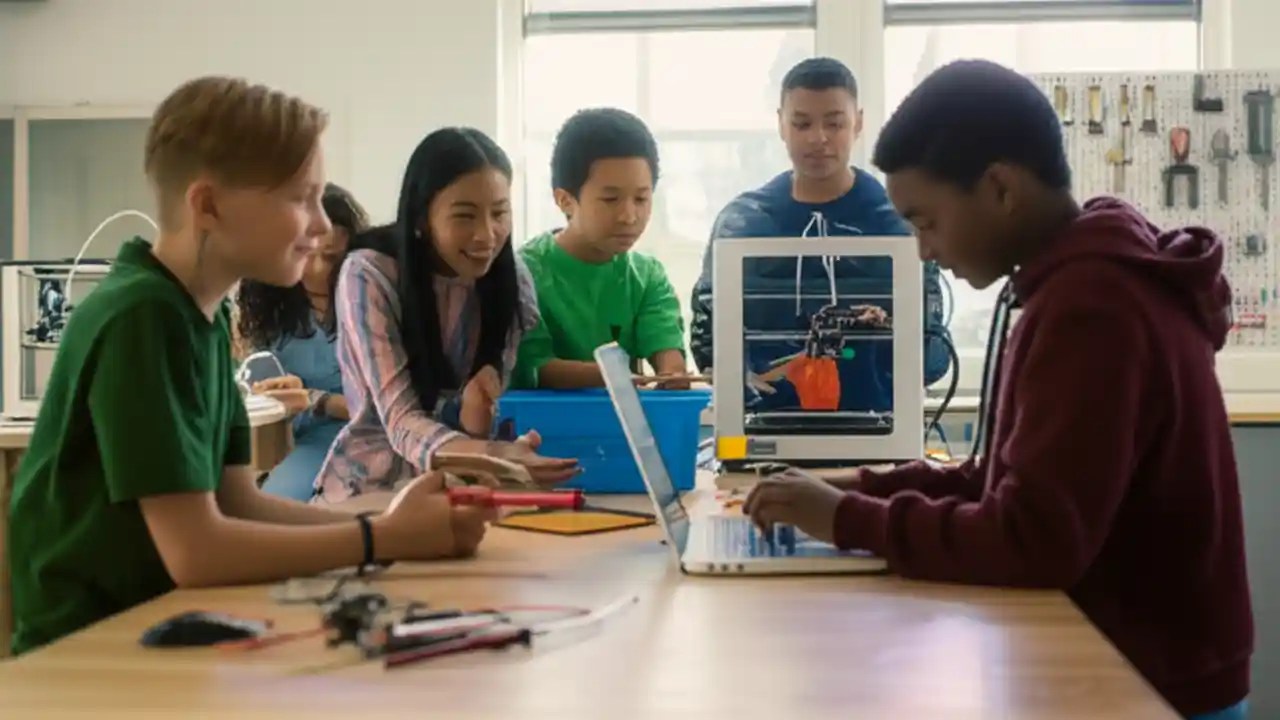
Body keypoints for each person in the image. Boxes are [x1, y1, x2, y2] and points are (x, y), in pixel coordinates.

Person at [743, 60, 1252, 720]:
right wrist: (855, 487)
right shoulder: (1075, 280)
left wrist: (846, 520)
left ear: (1001, 189)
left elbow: (1032, 538)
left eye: (926, 221)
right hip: (1130, 662)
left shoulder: (1094, 307)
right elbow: (1007, 482)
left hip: (1150, 685)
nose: (924, 252)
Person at [6, 77, 500, 656]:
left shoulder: (203, 316)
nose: (322, 228)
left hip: (156, 622)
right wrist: (378, 537)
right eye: (301, 198)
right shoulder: (143, 315)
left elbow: (238, 503)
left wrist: (400, 529)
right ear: (209, 206)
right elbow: (198, 551)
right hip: (85, 650)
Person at [315, 127, 582, 504]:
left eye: (499, 213)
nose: (487, 235)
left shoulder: (511, 280)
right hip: (372, 491)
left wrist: (495, 440)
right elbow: (400, 422)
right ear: (423, 216)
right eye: (465, 216)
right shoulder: (369, 275)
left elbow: (481, 416)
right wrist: (496, 457)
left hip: (466, 487)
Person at [688, 56, 951, 415]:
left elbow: (932, 353)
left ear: (858, 122)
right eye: (801, 123)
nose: (818, 138)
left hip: (880, 436)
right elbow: (709, 344)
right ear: (781, 124)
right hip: (763, 435)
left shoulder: (899, 222)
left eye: (834, 123)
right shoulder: (742, 223)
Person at [511, 108, 687, 390]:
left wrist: (673, 375)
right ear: (565, 200)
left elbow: (667, 352)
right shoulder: (524, 272)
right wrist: (617, 377)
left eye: (641, 199)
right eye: (610, 199)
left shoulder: (647, 276)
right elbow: (534, 367)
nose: (629, 216)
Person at [235, 183, 367, 501]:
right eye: (307, 256)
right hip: (298, 444)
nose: (320, 270)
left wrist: (313, 399)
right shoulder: (270, 310)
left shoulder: (369, 305)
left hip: (368, 437)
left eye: (334, 258)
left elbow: (385, 408)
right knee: (277, 509)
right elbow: (257, 391)